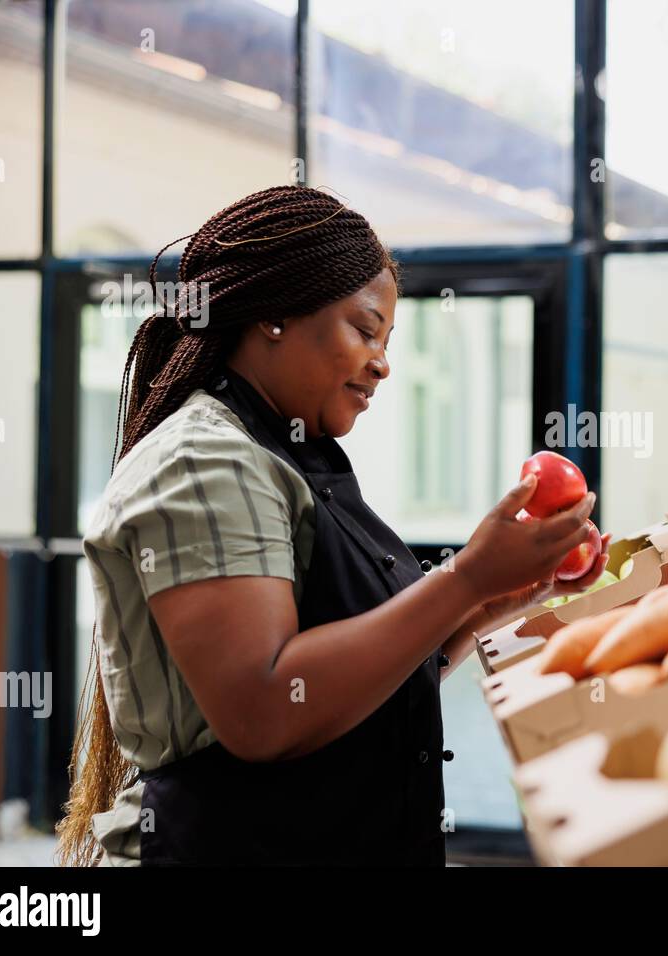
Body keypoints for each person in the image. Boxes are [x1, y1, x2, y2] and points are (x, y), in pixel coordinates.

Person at [57, 186, 610, 866]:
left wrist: (493, 600)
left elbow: (350, 687)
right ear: (274, 317)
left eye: (386, 339)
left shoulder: (291, 456)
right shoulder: (205, 463)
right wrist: (464, 580)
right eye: (364, 328)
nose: (383, 362)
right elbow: (265, 709)